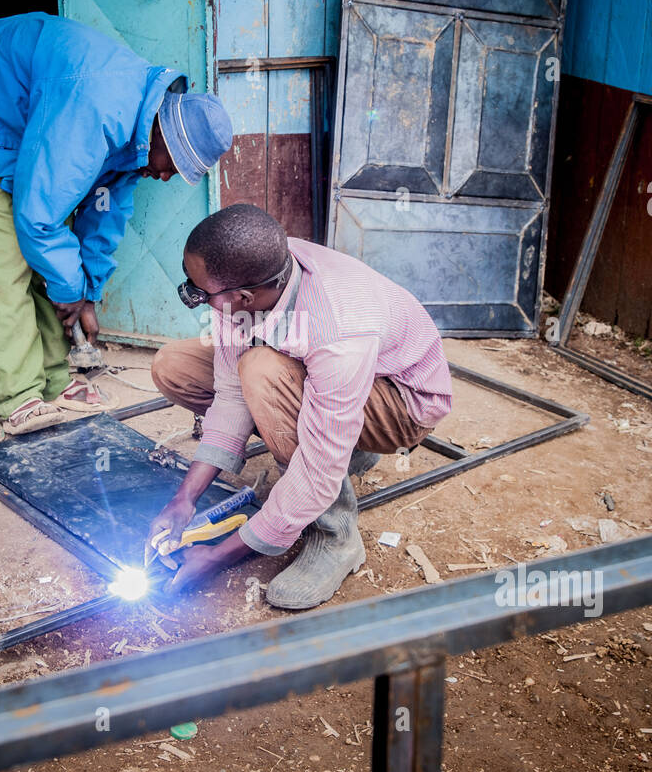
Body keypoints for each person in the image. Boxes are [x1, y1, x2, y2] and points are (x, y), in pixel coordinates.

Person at [0, 12, 233, 433]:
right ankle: (19, 396)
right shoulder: (96, 111)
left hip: (21, 122)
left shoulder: (136, 128)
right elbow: (39, 221)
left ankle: (54, 381)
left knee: (53, 253)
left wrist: (87, 293)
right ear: (164, 135)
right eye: (173, 166)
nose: (165, 177)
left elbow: (105, 215)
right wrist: (69, 288)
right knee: (8, 252)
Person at [147, 204, 453, 609]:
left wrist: (217, 556)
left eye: (200, 293)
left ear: (243, 296)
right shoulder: (253, 271)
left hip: (400, 404)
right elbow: (231, 394)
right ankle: (346, 446)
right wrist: (185, 497)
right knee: (175, 365)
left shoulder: (337, 328)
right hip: (341, 381)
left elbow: (312, 465)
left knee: (261, 371)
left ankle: (335, 537)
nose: (194, 298)